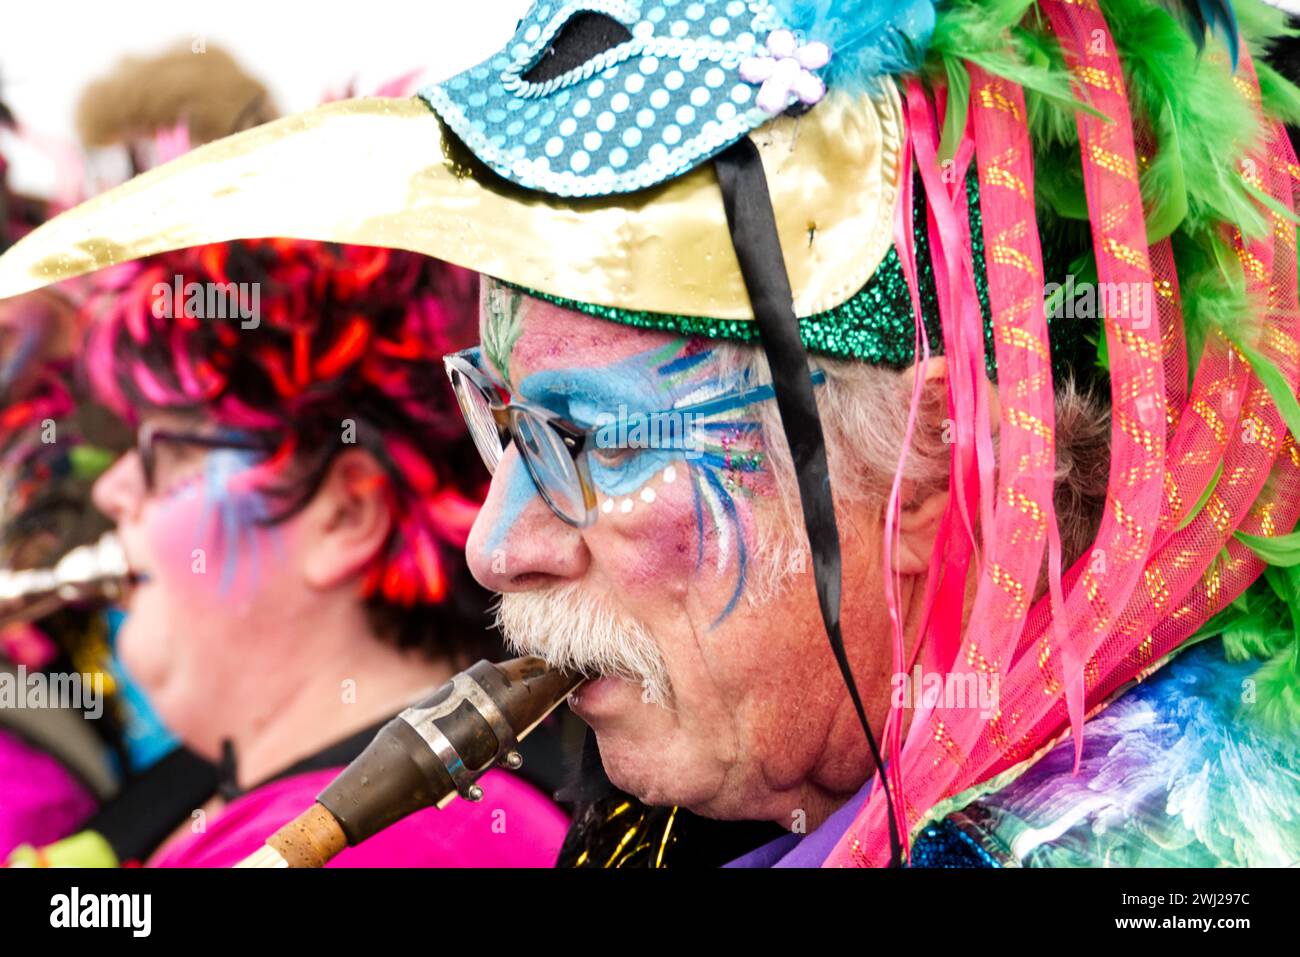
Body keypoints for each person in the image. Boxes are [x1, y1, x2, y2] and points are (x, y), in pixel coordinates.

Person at [4, 0, 1299, 868]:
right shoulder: (692, 807)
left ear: (923, 467)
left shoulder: (1169, 849)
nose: (497, 545)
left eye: (602, 447)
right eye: (501, 424)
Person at [81, 238, 567, 867]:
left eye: (166, 452)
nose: (109, 488)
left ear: (346, 515)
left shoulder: (419, 842)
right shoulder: (216, 787)